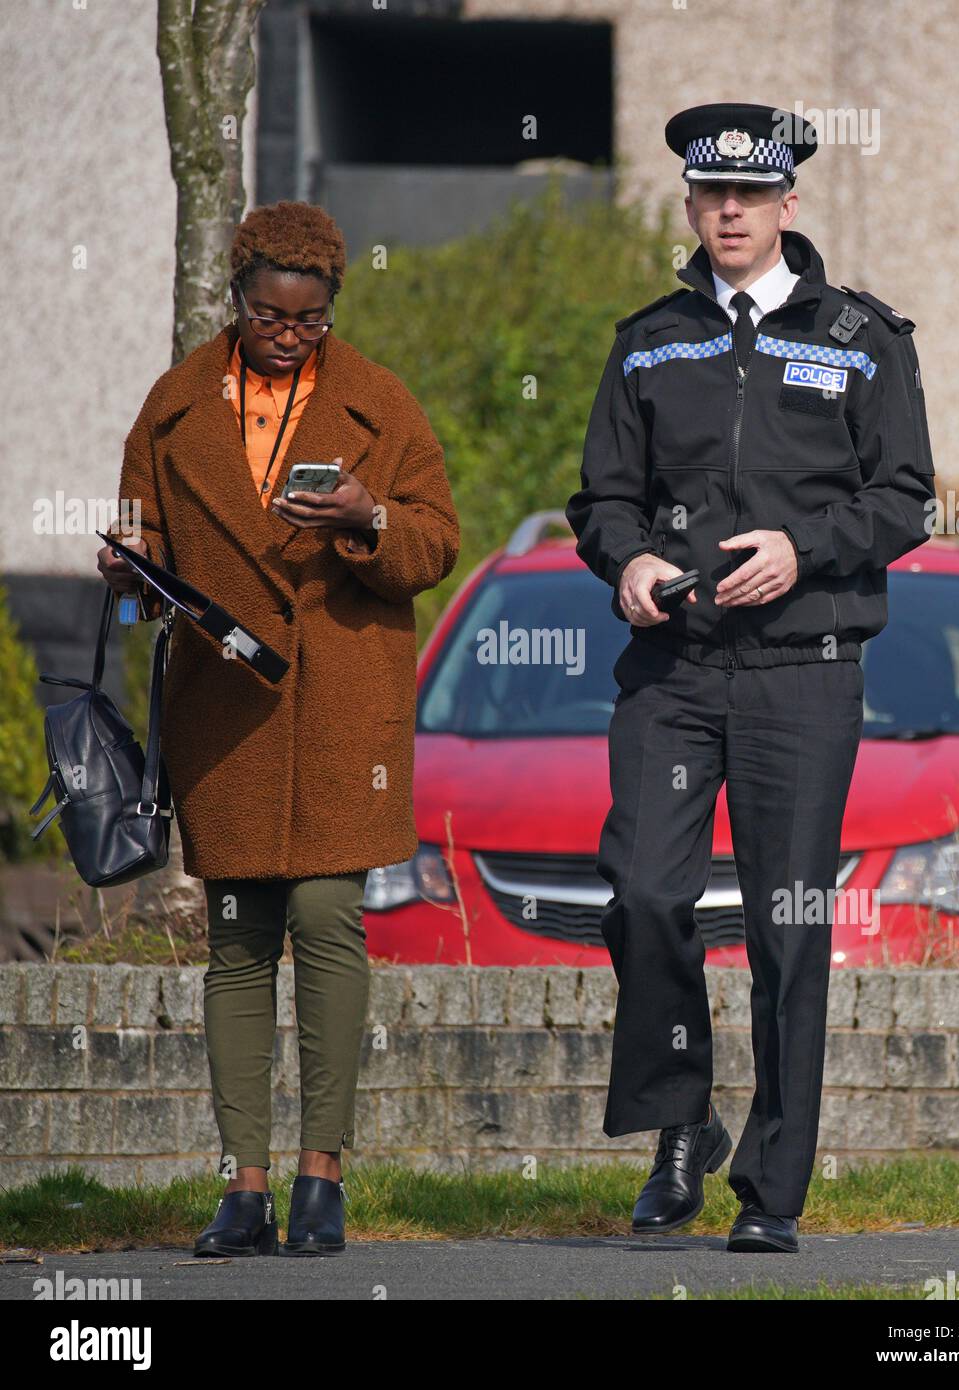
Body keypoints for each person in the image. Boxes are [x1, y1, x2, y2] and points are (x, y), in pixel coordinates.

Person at [566, 104, 935, 1251]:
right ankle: (682, 1119)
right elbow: (601, 499)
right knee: (639, 891)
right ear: (688, 205)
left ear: (787, 204)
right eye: (707, 194)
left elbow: (904, 499)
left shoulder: (862, 337)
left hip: (802, 674)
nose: (727, 211)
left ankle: (772, 1193)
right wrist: (622, 559)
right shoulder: (647, 339)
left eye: (748, 194)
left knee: (785, 928)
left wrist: (802, 547)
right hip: (672, 670)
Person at [97, 201, 460, 1256]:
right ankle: (244, 1183)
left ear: (331, 310)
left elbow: (433, 541)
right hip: (223, 707)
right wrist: (130, 574)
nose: (289, 335)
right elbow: (140, 570)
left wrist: (364, 517)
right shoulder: (171, 409)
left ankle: (322, 1175)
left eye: (309, 322)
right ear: (237, 299)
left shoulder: (380, 403)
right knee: (237, 939)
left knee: (327, 916)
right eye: (269, 317)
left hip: (344, 703)